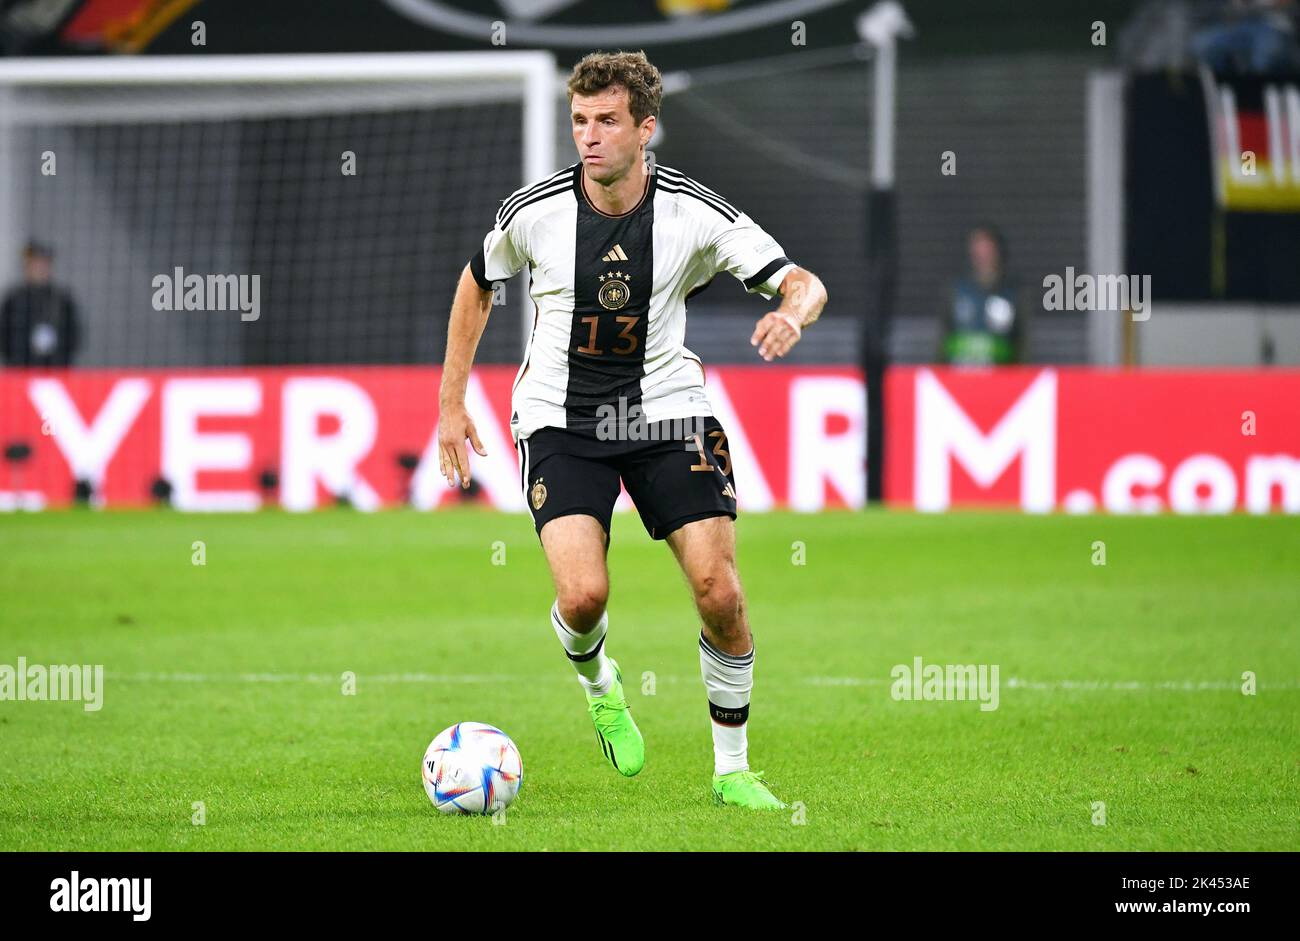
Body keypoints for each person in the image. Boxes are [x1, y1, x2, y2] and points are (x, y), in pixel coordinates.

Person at [437, 50, 827, 810]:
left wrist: (789, 312)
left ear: (645, 128)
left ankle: (732, 769)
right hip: (560, 417)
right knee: (582, 597)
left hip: (667, 411)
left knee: (720, 591)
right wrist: (451, 403)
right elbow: (478, 282)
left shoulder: (695, 211)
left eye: (607, 121)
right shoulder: (534, 212)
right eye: (579, 120)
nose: (589, 136)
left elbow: (802, 280)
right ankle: (600, 684)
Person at [938, 225, 1025, 366]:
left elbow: (1023, 342)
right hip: (960, 375)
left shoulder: (1013, 294)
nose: (983, 253)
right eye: (978, 247)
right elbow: (943, 338)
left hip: (1002, 376)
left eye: (987, 247)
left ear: (997, 250)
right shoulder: (957, 292)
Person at [0, 241, 81, 368]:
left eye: (43, 264)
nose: (39, 269)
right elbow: (4, 335)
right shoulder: (13, 300)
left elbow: (73, 336)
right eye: (34, 264)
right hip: (20, 369)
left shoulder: (62, 300)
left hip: (55, 369)